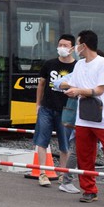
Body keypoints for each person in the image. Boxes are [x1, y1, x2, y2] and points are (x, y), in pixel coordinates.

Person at [62, 30, 104, 203]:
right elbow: (74, 83)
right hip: (84, 117)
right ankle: (89, 190)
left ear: (84, 46)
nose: (75, 48)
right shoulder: (80, 65)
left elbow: (99, 90)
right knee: (84, 155)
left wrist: (78, 91)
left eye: (77, 43)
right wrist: (64, 86)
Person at [33, 34, 75, 187]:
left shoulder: (77, 66)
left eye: (65, 45)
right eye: (60, 45)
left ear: (72, 48)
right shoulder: (49, 64)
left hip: (66, 110)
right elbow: (41, 84)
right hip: (47, 107)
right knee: (42, 141)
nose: (62, 48)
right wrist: (38, 104)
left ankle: (63, 174)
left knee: (65, 145)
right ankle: (43, 173)